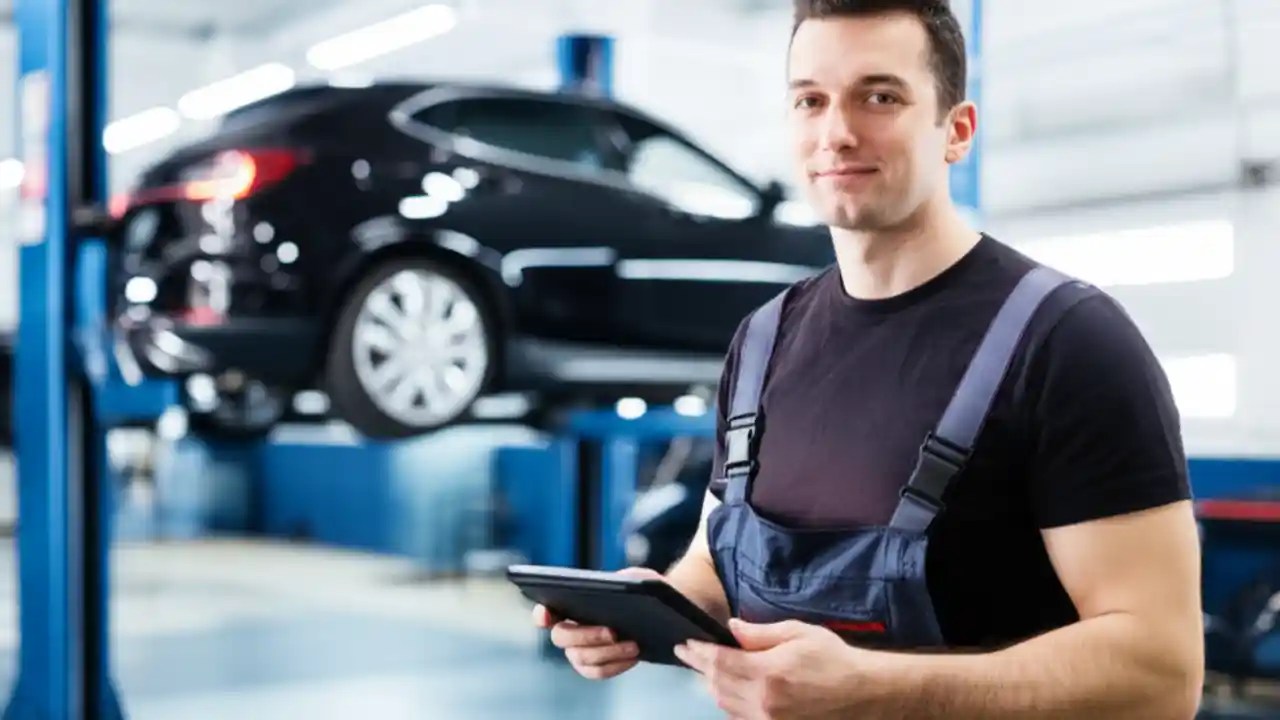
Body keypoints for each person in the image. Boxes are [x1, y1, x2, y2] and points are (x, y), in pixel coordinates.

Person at [533, 0, 1206, 717]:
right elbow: (714, 562)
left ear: (957, 131)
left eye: (879, 97)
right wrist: (647, 611)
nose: (838, 132)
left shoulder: (1067, 342)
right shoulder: (761, 342)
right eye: (811, 100)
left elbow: (1161, 672)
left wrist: (877, 688)